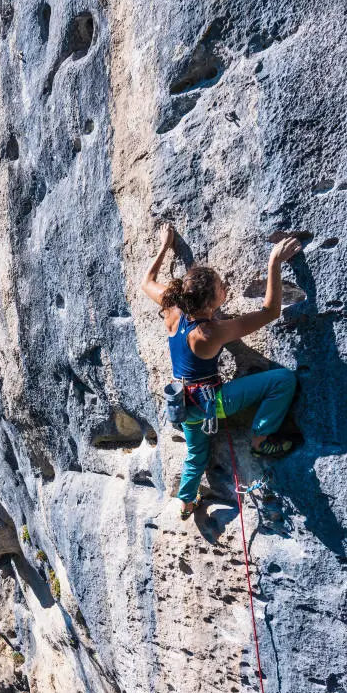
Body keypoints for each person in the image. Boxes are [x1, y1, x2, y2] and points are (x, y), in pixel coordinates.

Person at [141, 223, 302, 522]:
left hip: (183, 405)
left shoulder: (172, 309)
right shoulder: (211, 332)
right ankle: (260, 440)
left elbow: (147, 281)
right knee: (282, 380)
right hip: (211, 403)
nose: (225, 286)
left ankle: (187, 502)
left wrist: (165, 245)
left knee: (196, 456)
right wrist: (274, 263)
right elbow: (270, 312)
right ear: (210, 302)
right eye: (220, 287)